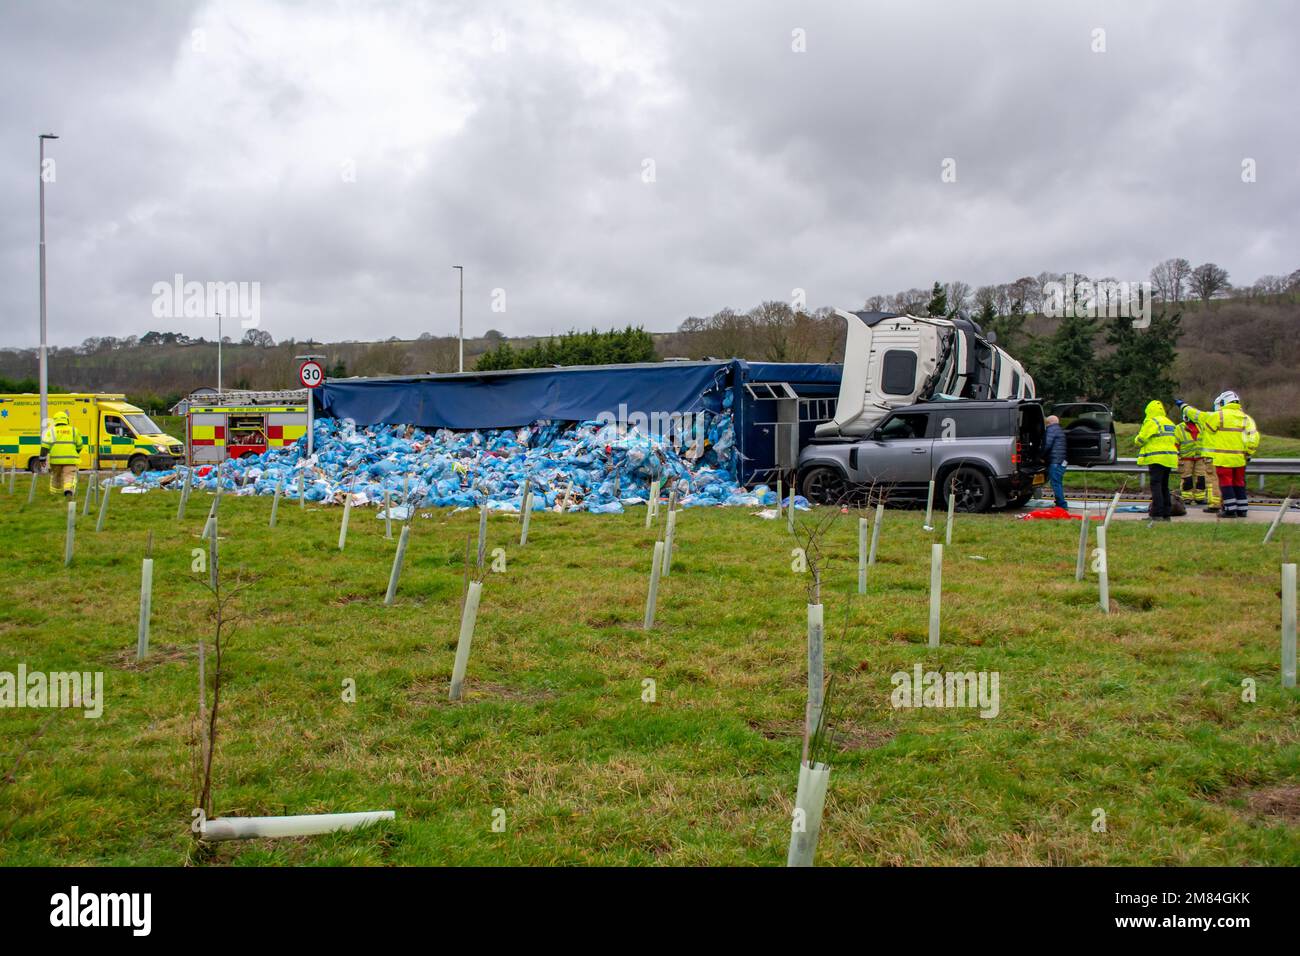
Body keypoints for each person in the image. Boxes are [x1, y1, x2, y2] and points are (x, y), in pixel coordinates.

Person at [1176, 391, 1259, 518]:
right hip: (1240, 459)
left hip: (1223, 459)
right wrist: (1248, 452)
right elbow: (1254, 438)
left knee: (1226, 484)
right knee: (1239, 483)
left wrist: (1183, 406)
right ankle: (1242, 509)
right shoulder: (1246, 418)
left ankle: (1230, 510)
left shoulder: (1219, 416)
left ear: (1223, 402)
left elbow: (1198, 416)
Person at [1134, 400, 1178, 521]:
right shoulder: (1169, 422)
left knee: (1156, 485)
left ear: (1149, 410)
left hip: (1157, 458)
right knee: (1164, 485)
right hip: (1169, 458)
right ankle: (1166, 514)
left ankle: (1156, 513)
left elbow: (1141, 440)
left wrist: (1136, 439)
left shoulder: (1151, 422)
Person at [40, 410, 83, 498]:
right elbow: (79, 445)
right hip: (71, 460)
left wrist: (42, 458)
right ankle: (68, 491)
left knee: (56, 477)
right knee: (69, 475)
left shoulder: (51, 431)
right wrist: (76, 452)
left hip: (55, 461)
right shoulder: (74, 430)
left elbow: (45, 445)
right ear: (66, 420)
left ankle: (55, 495)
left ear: (55, 420)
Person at [1173, 417, 1207, 505]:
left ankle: (1200, 498)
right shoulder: (1179, 428)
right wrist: (1177, 455)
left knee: (1201, 478)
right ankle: (1187, 498)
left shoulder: (1201, 426)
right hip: (1185, 458)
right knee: (1186, 478)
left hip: (1200, 457)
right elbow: (1175, 443)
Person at [1044, 414, 1068, 510]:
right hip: (1062, 461)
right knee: (1058, 482)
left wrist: (1040, 456)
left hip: (1055, 461)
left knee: (1056, 483)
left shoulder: (1051, 430)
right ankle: (1059, 503)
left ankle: (1061, 505)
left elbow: (1047, 445)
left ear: (1049, 423)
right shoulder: (1060, 430)